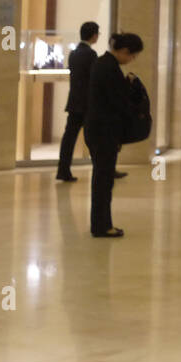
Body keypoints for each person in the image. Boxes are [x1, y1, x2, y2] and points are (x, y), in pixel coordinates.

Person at [84, 32, 144, 238]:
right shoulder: (109, 68)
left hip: (98, 130)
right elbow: (118, 102)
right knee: (103, 181)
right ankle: (102, 226)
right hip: (104, 132)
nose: (131, 60)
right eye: (132, 56)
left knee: (102, 179)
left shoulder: (103, 63)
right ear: (125, 51)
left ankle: (101, 224)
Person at [57, 22, 103, 183]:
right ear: (93, 35)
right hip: (87, 104)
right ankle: (104, 168)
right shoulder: (91, 55)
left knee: (69, 138)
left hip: (74, 102)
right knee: (97, 139)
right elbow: (94, 80)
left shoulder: (74, 53)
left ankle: (63, 169)